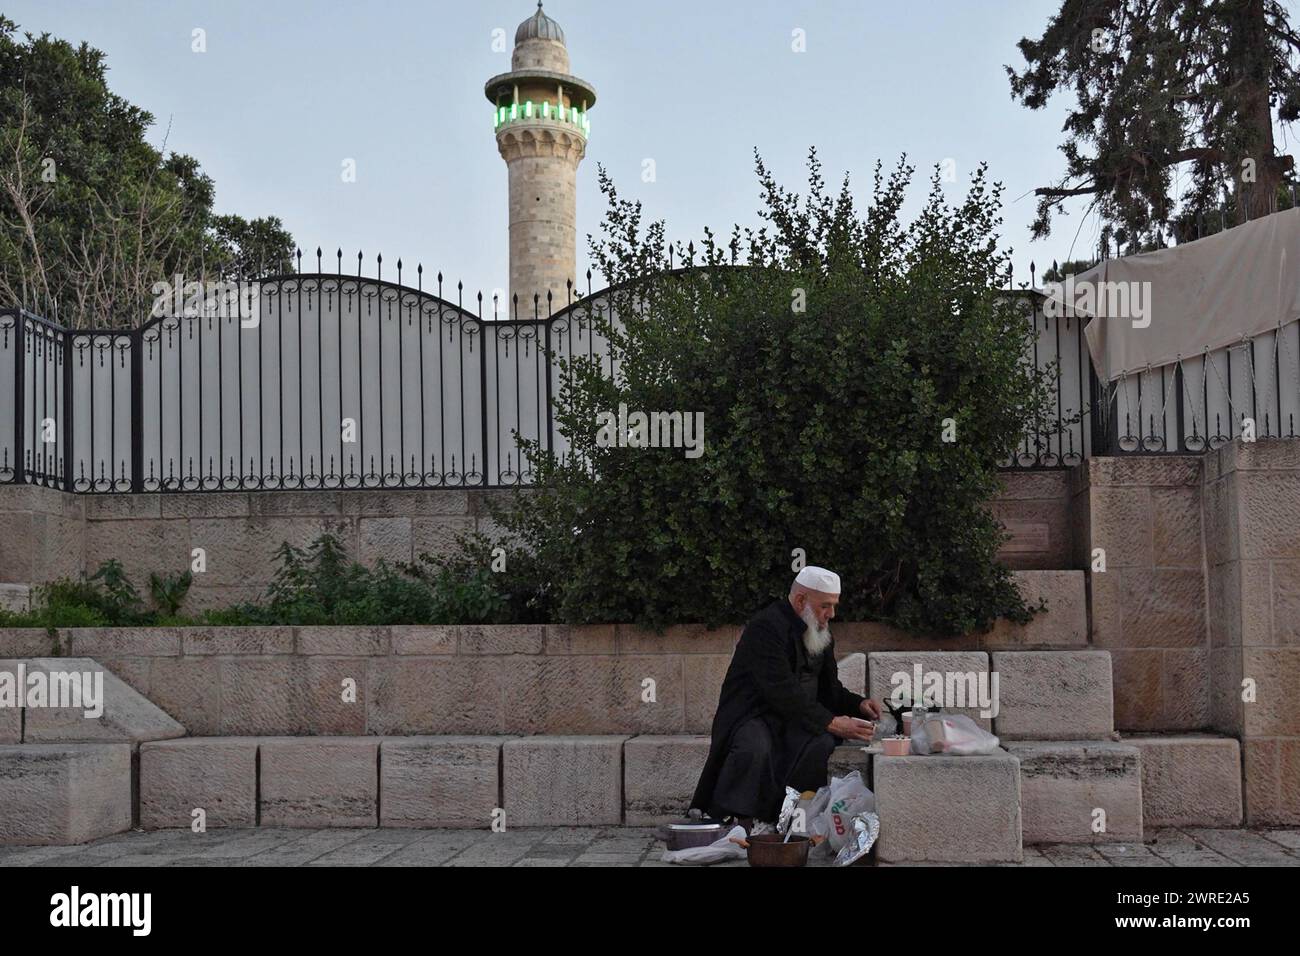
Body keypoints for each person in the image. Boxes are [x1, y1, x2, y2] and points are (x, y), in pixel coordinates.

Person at [688, 565, 881, 831]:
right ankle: (733, 820)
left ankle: (786, 816)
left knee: (821, 742)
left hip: (797, 718)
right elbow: (781, 691)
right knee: (755, 745)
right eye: (825, 605)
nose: (831, 614)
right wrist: (833, 722)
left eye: (834, 605)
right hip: (755, 715)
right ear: (801, 599)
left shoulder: (821, 632)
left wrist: (858, 704)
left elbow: (830, 689)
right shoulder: (765, 628)